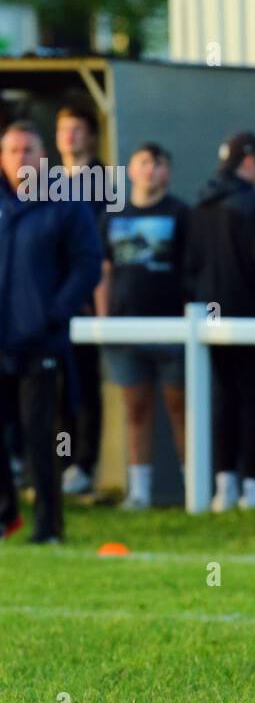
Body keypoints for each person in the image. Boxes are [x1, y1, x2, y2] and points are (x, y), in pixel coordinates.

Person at [0, 121, 102, 542]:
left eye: (28, 149)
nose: (20, 157)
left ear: (43, 157)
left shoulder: (65, 205)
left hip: (40, 340)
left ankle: (48, 524)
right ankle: (7, 515)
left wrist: (55, 311)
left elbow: (88, 263)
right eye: (11, 150)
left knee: (43, 435)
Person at [186, 131, 255, 511]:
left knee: (224, 400)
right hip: (253, 316)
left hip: (211, 319)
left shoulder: (200, 204)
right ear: (249, 160)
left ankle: (224, 486)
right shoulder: (254, 206)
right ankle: (254, 488)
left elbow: (191, 265)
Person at [97, 143, 189, 510]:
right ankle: (140, 493)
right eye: (143, 163)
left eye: (158, 164)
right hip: (125, 329)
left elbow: (191, 270)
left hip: (173, 329)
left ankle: (192, 490)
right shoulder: (112, 214)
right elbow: (102, 270)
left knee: (179, 407)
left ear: (167, 172)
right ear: (130, 170)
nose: (151, 170)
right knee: (136, 409)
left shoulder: (181, 213)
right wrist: (104, 320)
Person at [55, 98, 106, 496]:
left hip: (83, 302)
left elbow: (99, 250)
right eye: (62, 129)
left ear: (91, 135)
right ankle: (58, 463)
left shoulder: (101, 181)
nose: (69, 136)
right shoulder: (47, 181)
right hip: (48, 305)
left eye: (76, 128)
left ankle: (84, 465)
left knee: (84, 384)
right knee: (53, 386)